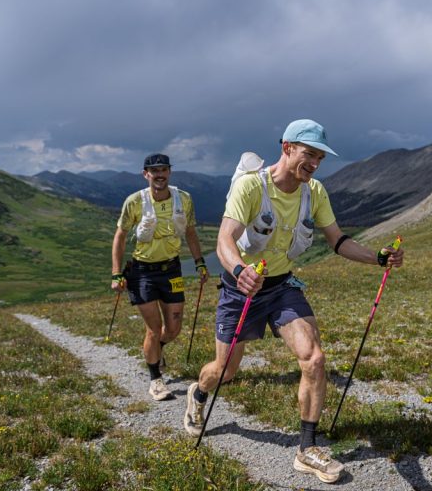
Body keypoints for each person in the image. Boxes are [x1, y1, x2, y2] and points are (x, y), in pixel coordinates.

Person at [183, 119, 404, 483]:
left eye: (319, 157)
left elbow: (338, 240)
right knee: (225, 371)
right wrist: (240, 271)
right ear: (287, 148)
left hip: (282, 286)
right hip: (241, 289)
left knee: (314, 358)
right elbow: (225, 239)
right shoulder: (252, 187)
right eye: (309, 154)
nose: (314, 163)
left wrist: (377, 258)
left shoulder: (314, 192)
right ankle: (200, 393)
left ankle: (307, 448)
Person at [111, 153, 209, 401]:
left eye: (163, 170)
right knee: (154, 329)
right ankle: (156, 379)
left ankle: (156, 350)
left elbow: (190, 231)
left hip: (171, 269)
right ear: (146, 174)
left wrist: (199, 263)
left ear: (170, 172)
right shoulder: (134, 202)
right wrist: (116, 273)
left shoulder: (183, 199)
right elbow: (120, 237)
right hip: (141, 272)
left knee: (173, 328)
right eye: (154, 171)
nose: (159, 175)